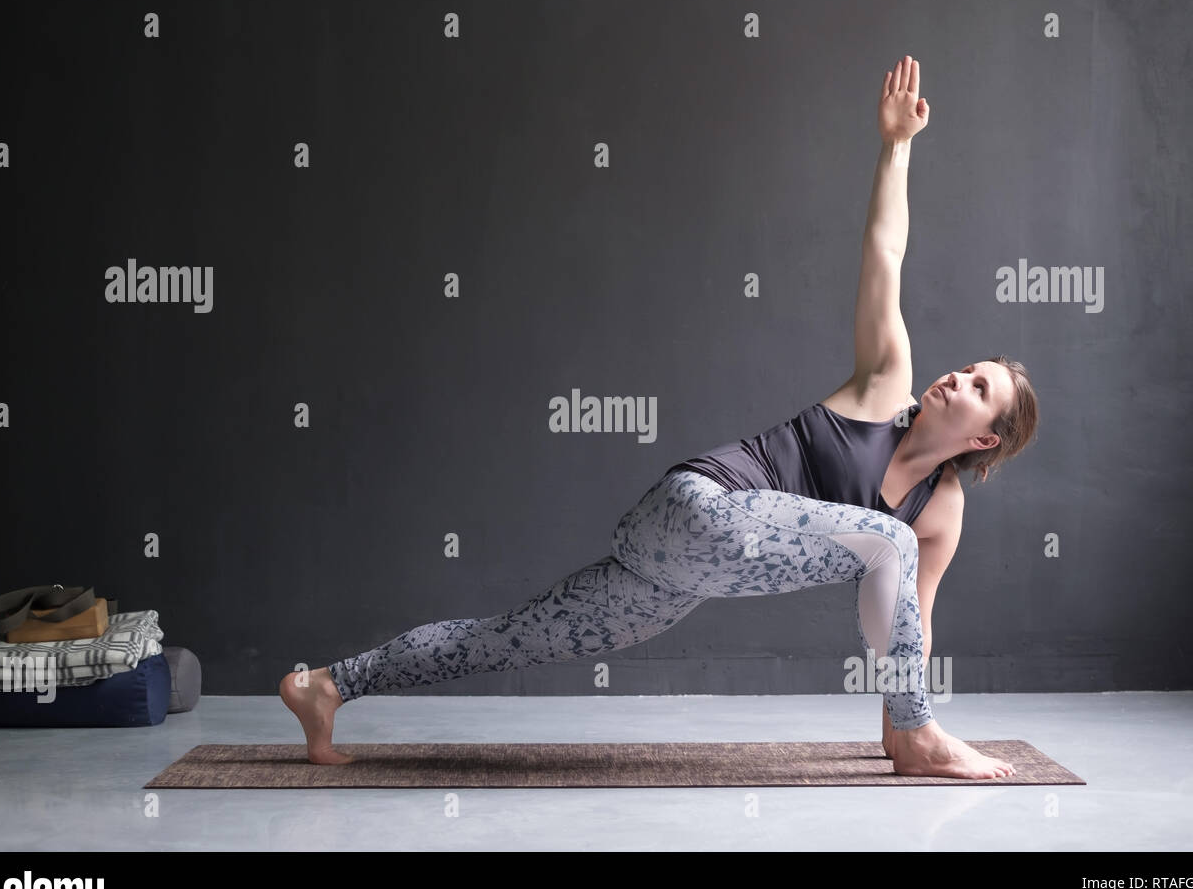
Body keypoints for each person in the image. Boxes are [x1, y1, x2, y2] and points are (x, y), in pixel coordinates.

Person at [281, 55, 1039, 779]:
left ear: (984, 438)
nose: (956, 376)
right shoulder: (886, 385)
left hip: (670, 578)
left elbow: (909, 619)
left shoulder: (940, 509)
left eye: (978, 388)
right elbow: (885, 252)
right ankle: (922, 738)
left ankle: (326, 686)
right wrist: (896, 148)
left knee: (506, 637)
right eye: (968, 368)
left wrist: (891, 728)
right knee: (887, 540)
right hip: (693, 509)